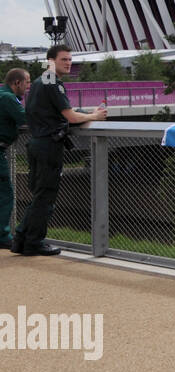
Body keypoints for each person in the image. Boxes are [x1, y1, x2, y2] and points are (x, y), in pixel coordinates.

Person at [12, 46, 108, 256]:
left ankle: (21, 239)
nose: (68, 63)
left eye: (70, 59)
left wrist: (86, 112)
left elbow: (63, 111)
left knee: (39, 195)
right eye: (64, 59)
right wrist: (94, 117)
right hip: (48, 146)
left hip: (36, 143)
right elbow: (71, 118)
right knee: (45, 197)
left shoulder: (39, 82)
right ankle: (34, 243)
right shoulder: (53, 83)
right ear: (50, 61)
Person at [0, 68, 31, 249]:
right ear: (17, 83)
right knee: (5, 193)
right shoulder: (8, 98)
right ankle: (3, 236)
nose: (28, 86)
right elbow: (26, 119)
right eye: (27, 82)